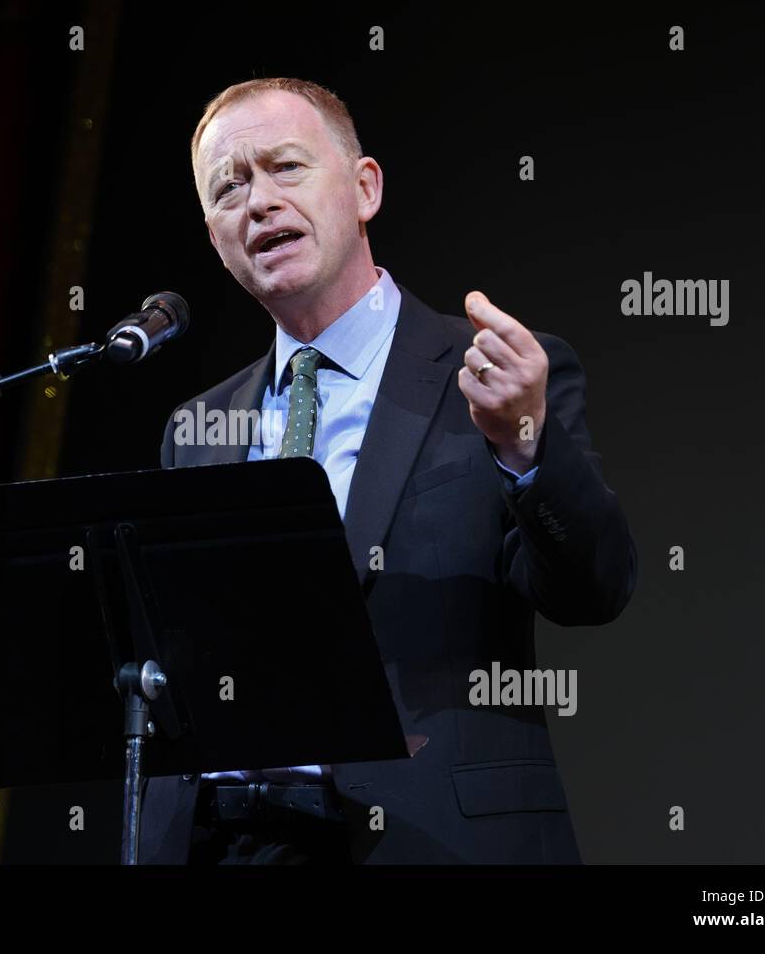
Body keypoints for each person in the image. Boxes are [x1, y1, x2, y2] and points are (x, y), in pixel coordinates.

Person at [139, 77, 637, 864]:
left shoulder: (487, 379)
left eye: (285, 168)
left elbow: (595, 587)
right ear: (214, 237)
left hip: (433, 839)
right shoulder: (196, 430)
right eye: (229, 187)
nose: (258, 201)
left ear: (364, 188)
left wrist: (524, 446)